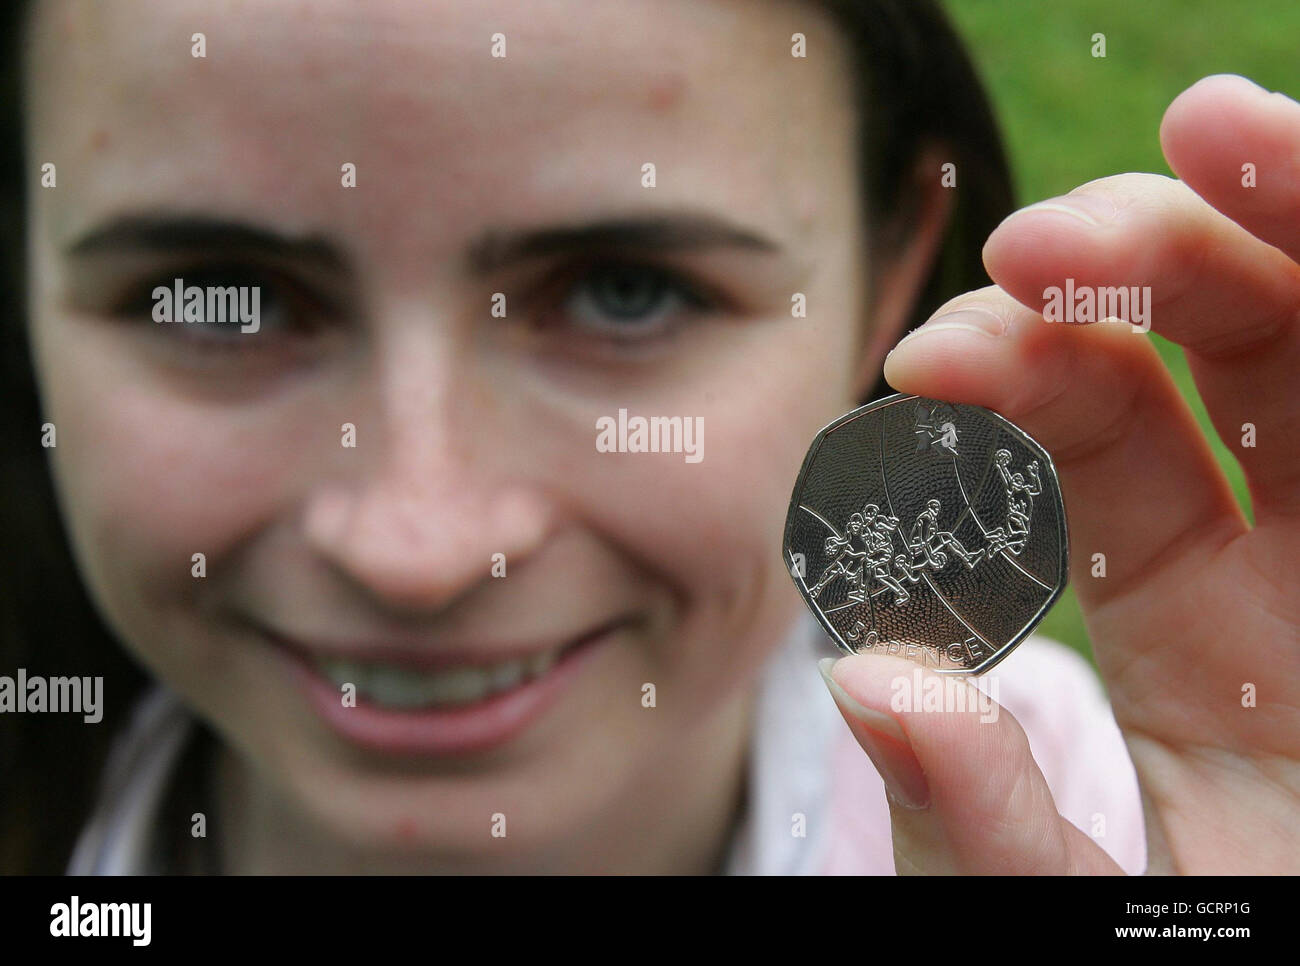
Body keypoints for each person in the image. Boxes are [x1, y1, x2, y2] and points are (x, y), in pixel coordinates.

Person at [1, 0, 1295, 875]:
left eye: (628, 289)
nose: (419, 546)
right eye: (221, 299)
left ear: (890, 272)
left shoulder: (1108, 811)